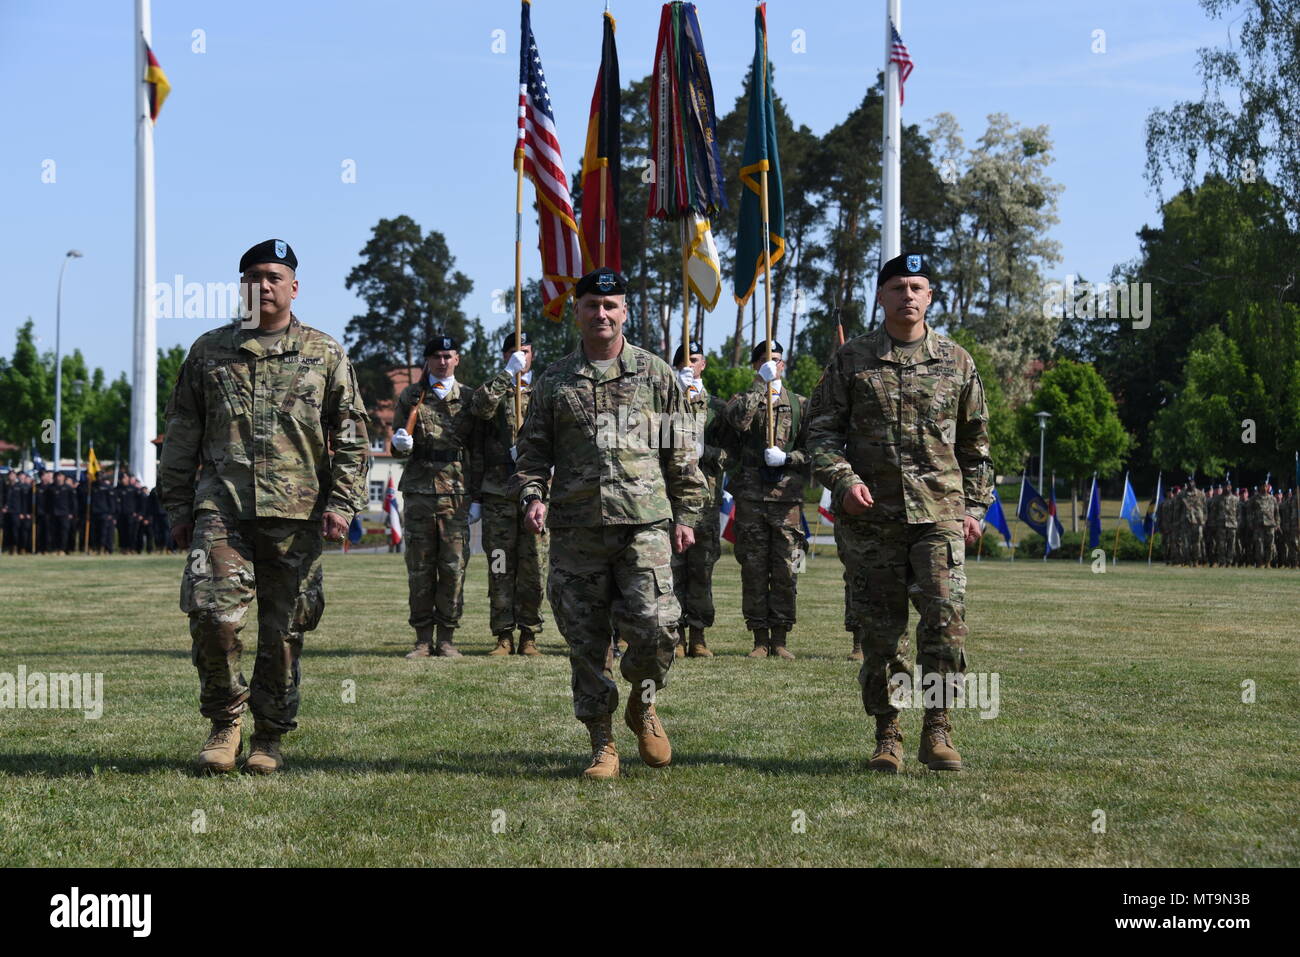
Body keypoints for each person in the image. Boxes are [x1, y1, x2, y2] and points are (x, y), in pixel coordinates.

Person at [159, 238, 369, 775]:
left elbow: (350, 436)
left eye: (274, 277)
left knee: (284, 631)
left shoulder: (324, 354)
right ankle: (225, 722)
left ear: (294, 287)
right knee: (212, 617)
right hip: (221, 510)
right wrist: (178, 506)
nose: (264, 285)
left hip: (296, 516)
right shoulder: (209, 351)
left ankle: (269, 736)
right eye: (253, 276)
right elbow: (182, 434)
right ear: (242, 285)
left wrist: (344, 503)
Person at [509, 266, 705, 779]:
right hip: (577, 530)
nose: (602, 313)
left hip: (645, 524)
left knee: (659, 627)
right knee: (586, 639)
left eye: (611, 305)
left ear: (625, 311)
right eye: (592, 305)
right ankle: (603, 742)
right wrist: (533, 495)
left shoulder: (656, 373)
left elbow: (682, 450)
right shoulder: (553, 380)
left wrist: (687, 512)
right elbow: (531, 455)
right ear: (577, 312)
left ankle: (642, 703)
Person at [808, 252, 993, 774]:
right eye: (897, 287)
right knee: (880, 633)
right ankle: (887, 732)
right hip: (872, 522)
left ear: (930, 296)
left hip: (939, 517)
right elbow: (820, 435)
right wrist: (844, 481)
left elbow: (977, 445)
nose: (907, 296)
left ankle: (937, 729)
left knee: (944, 621)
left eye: (916, 287)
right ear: (881, 296)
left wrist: (975, 507)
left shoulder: (957, 361)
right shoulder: (852, 360)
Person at [391, 335, 482, 658]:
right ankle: (421, 639)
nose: (442, 362)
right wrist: (400, 443)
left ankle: (446, 638)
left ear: (457, 359)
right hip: (419, 490)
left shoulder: (469, 398)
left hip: (457, 492)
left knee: (454, 567)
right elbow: (397, 442)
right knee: (420, 567)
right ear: (427, 361)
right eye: (436, 357)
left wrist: (479, 496)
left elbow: (478, 449)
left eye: (448, 356)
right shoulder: (412, 396)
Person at [723, 340, 811, 660]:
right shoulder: (746, 400)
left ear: (783, 364)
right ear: (756, 366)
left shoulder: (800, 405)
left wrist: (787, 458)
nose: (771, 364)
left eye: (775, 360)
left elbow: (815, 451)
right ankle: (759, 638)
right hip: (751, 497)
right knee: (754, 568)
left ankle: (781, 637)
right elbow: (736, 421)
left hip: (786, 500)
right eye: (763, 360)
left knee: (787, 569)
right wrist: (761, 383)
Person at [469, 330, 547, 656]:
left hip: (535, 493)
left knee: (533, 567)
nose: (522, 356)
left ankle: (529, 634)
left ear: (533, 356)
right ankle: (503, 634)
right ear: (505, 355)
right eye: (515, 351)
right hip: (499, 492)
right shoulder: (496, 389)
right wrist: (506, 375)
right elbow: (480, 409)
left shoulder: (545, 390)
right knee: (500, 565)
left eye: (526, 351)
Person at [669, 340, 735, 658]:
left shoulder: (718, 409)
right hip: (672, 498)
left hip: (705, 500)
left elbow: (731, 453)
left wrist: (704, 452)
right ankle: (675, 634)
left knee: (702, 568)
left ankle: (698, 634)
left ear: (703, 364)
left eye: (693, 360)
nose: (688, 366)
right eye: (682, 361)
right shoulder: (664, 403)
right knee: (672, 568)